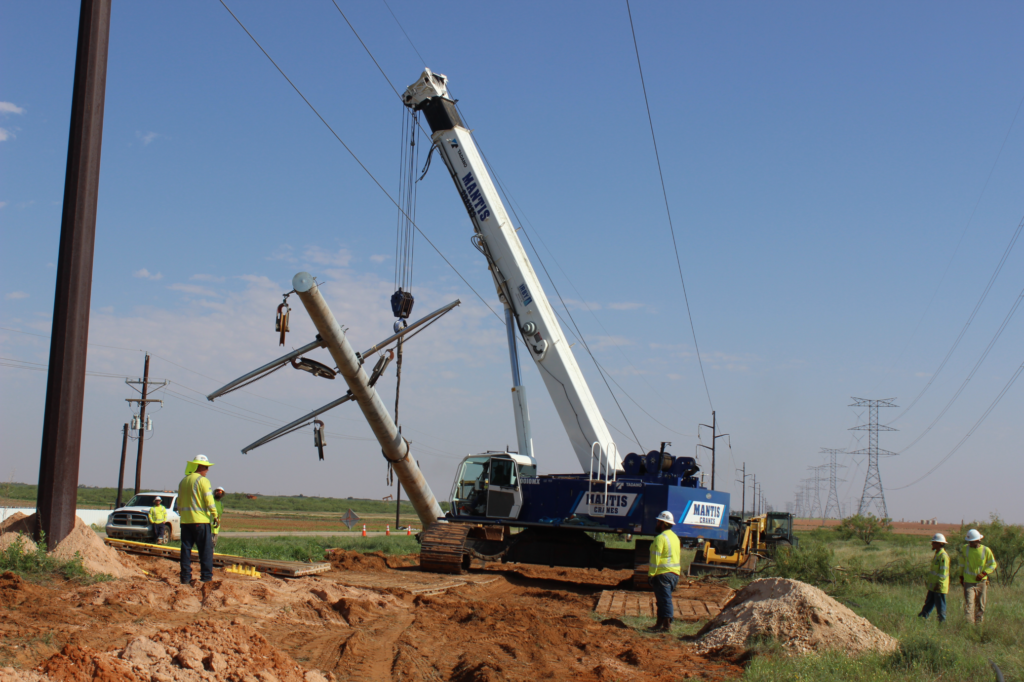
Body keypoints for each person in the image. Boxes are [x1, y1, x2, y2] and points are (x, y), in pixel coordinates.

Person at [177, 454, 220, 586]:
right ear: (200, 467)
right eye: (206, 467)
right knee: (205, 550)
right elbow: (209, 500)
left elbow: (179, 501)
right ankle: (206, 577)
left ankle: (185, 577)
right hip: (200, 521)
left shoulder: (183, 481)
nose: (207, 470)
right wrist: (215, 515)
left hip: (185, 522)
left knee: (186, 549)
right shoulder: (202, 481)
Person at [648, 510, 681, 632]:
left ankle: (667, 625)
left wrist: (651, 574)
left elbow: (655, 558)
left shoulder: (660, 538)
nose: (656, 523)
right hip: (674, 574)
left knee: (665, 600)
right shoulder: (675, 538)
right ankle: (659, 623)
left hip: (663, 574)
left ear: (663, 523)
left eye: (658, 521)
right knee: (662, 599)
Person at [959, 528, 997, 625]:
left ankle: (978, 626)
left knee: (980, 606)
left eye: (972, 542)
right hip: (968, 582)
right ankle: (969, 626)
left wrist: (984, 573)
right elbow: (962, 564)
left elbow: (993, 565)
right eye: (969, 542)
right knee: (969, 605)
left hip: (981, 583)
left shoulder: (986, 550)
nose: (970, 543)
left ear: (978, 540)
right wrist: (961, 576)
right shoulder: (965, 549)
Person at [918, 533, 949, 622]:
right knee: (929, 603)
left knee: (940, 606)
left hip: (939, 586)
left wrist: (938, 584)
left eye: (934, 542)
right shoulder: (938, 554)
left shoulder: (943, 556)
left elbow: (943, 573)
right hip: (933, 586)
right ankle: (922, 618)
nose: (932, 544)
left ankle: (942, 622)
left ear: (939, 544)